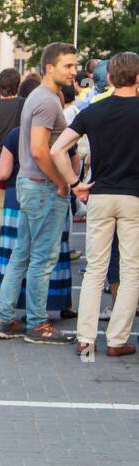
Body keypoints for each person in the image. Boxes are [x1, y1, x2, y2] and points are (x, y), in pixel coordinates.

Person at [52, 51, 139, 357]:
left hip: (99, 195)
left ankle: (86, 337)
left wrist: (75, 184)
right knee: (131, 271)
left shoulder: (94, 111)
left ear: (111, 78)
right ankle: (117, 339)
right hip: (133, 198)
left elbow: (58, 149)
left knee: (94, 269)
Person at [0, 43, 79, 344]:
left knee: (22, 255)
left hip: (33, 186)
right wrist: (60, 182)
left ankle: (5, 318)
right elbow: (39, 149)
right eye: (68, 65)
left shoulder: (39, 97)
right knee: (42, 259)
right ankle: (38, 324)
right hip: (42, 187)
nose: (74, 71)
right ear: (50, 67)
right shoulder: (46, 100)